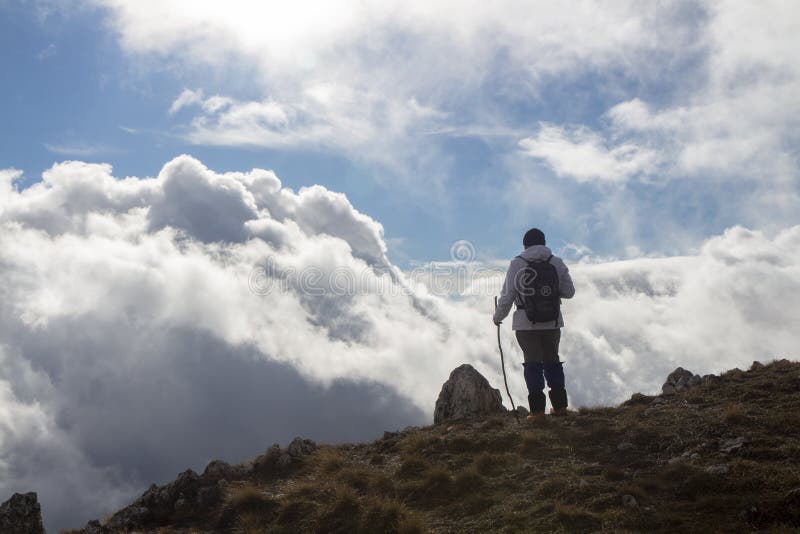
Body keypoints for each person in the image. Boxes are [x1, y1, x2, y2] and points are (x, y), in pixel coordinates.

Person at [492, 228, 575, 420]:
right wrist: (550, 291)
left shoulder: (517, 264)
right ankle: (560, 407)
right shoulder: (556, 262)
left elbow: (508, 295)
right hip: (552, 322)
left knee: (532, 364)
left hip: (525, 323)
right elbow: (569, 292)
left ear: (525, 245)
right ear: (544, 243)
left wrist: (498, 317)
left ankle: (537, 412)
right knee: (553, 361)